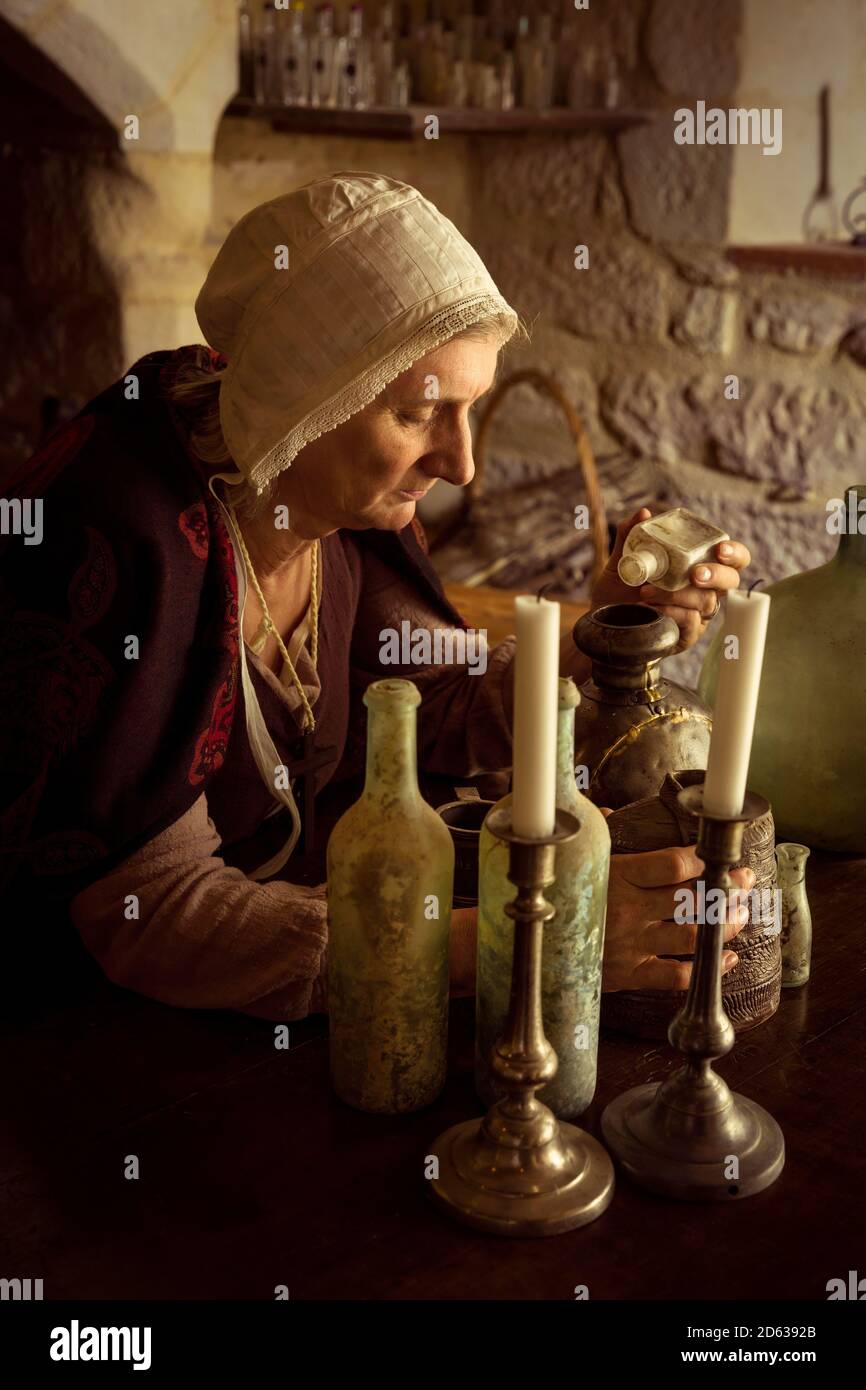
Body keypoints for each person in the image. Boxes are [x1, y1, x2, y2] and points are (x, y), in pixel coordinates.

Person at [0, 172, 753, 1021]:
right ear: (306, 401)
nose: (460, 464)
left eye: (470, 410)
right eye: (419, 414)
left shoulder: (340, 516)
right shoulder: (121, 540)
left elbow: (440, 707)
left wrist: (611, 629)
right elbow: (157, 915)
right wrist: (537, 941)